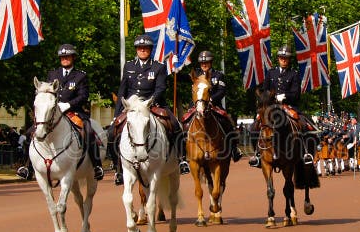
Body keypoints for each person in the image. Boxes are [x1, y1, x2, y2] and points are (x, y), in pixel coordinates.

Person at [111, 35, 190, 185]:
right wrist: (117, 115)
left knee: (175, 124)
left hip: (153, 104)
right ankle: (118, 168)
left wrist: (149, 101)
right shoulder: (128, 66)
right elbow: (123, 90)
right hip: (132, 107)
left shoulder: (158, 66)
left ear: (150, 50)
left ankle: (181, 159)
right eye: (140, 48)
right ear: (136, 50)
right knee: (112, 132)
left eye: (145, 48)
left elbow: (161, 88)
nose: (142, 50)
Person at [248, 45, 317, 167]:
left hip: (288, 106)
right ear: (278, 59)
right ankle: (257, 154)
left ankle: (306, 153)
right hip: (271, 106)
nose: (283, 60)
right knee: (255, 125)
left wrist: (284, 96)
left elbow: (296, 94)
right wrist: (267, 97)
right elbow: (265, 90)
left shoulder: (294, 74)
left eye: (286, 58)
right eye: (281, 57)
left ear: (289, 60)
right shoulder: (271, 73)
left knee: (303, 124)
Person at [47, 43, 104, 180]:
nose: (65, 59)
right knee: (34, 131)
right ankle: (27, 166)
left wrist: (68, 105)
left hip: (74, 112)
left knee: (89, 131)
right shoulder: (52, 74)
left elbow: (83, 96)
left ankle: (97, 166)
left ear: (73, 58)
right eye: (62, 57)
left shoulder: (80, 76)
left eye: (67, 56)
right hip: (54, 113)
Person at [185, 50, 242, 162]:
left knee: (227, 122)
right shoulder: (195, 74)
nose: (204, 65)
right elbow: (184, 79)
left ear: (211, 63)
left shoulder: (218, 75)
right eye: (202, 63)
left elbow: (222, 91)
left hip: (213, 105)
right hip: (196, 105)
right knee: (184, 124)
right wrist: (175, 68)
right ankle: (182, 154)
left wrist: (211, 100)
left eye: (206, 62)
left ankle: (234, 149)